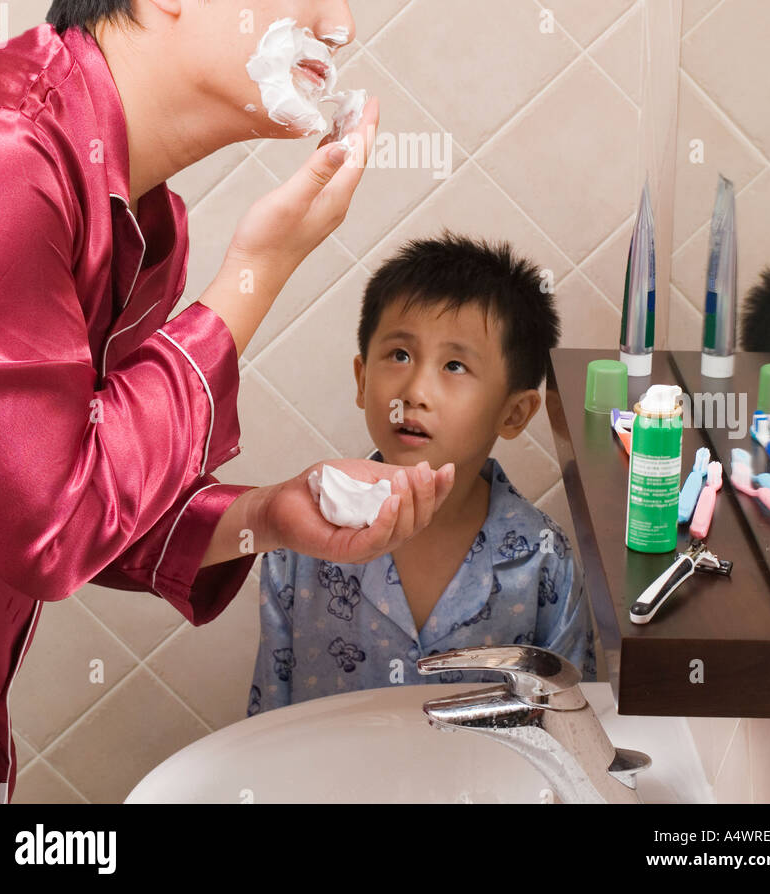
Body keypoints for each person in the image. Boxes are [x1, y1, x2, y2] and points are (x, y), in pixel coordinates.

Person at [0, 0, 455, 803]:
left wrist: (267, 515)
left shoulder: (146, 224)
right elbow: (53, 531)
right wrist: (256, 274)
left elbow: (78, 482)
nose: (341, 20)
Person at [248, 232, 597, 715]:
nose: (415, 390)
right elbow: (270, 716)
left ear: (514, 413)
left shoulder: (543, 563)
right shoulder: (301, 540)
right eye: (400, 355)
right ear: (362, 378)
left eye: (455, 365)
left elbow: (572, 726)